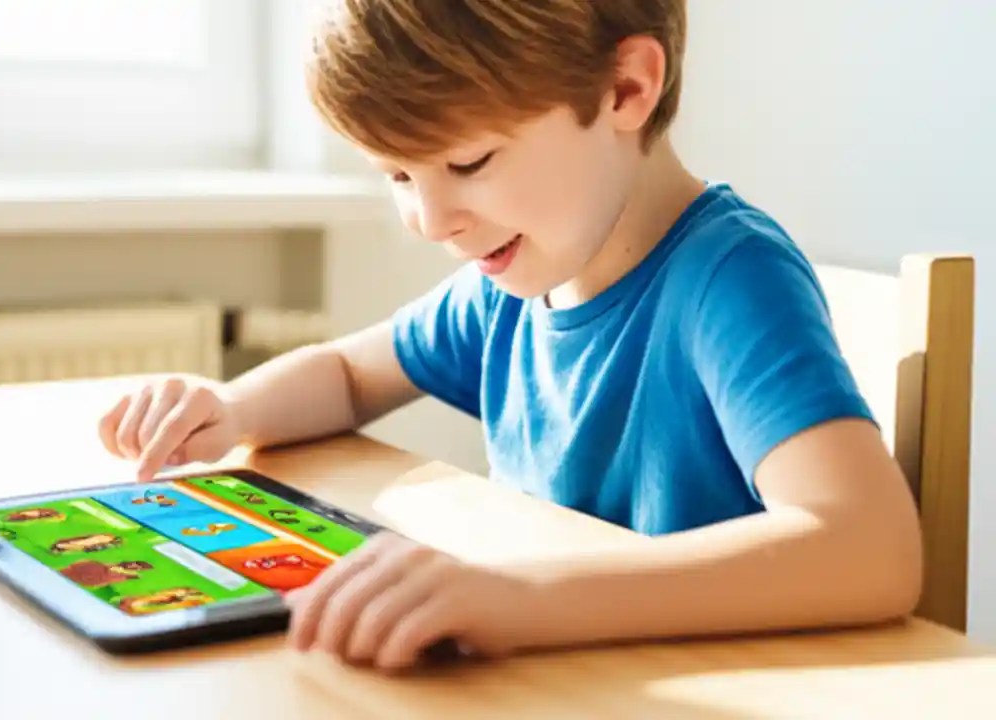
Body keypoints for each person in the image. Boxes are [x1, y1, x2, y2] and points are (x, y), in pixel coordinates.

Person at [98, 0, 922, 672]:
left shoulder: (728, 278)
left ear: (626, 89)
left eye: (468, 163)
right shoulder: (517, 287)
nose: (428, 219)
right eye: (397, 176)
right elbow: (351, 376)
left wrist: (524, 596)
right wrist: (234, 407)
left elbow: (870, 547)